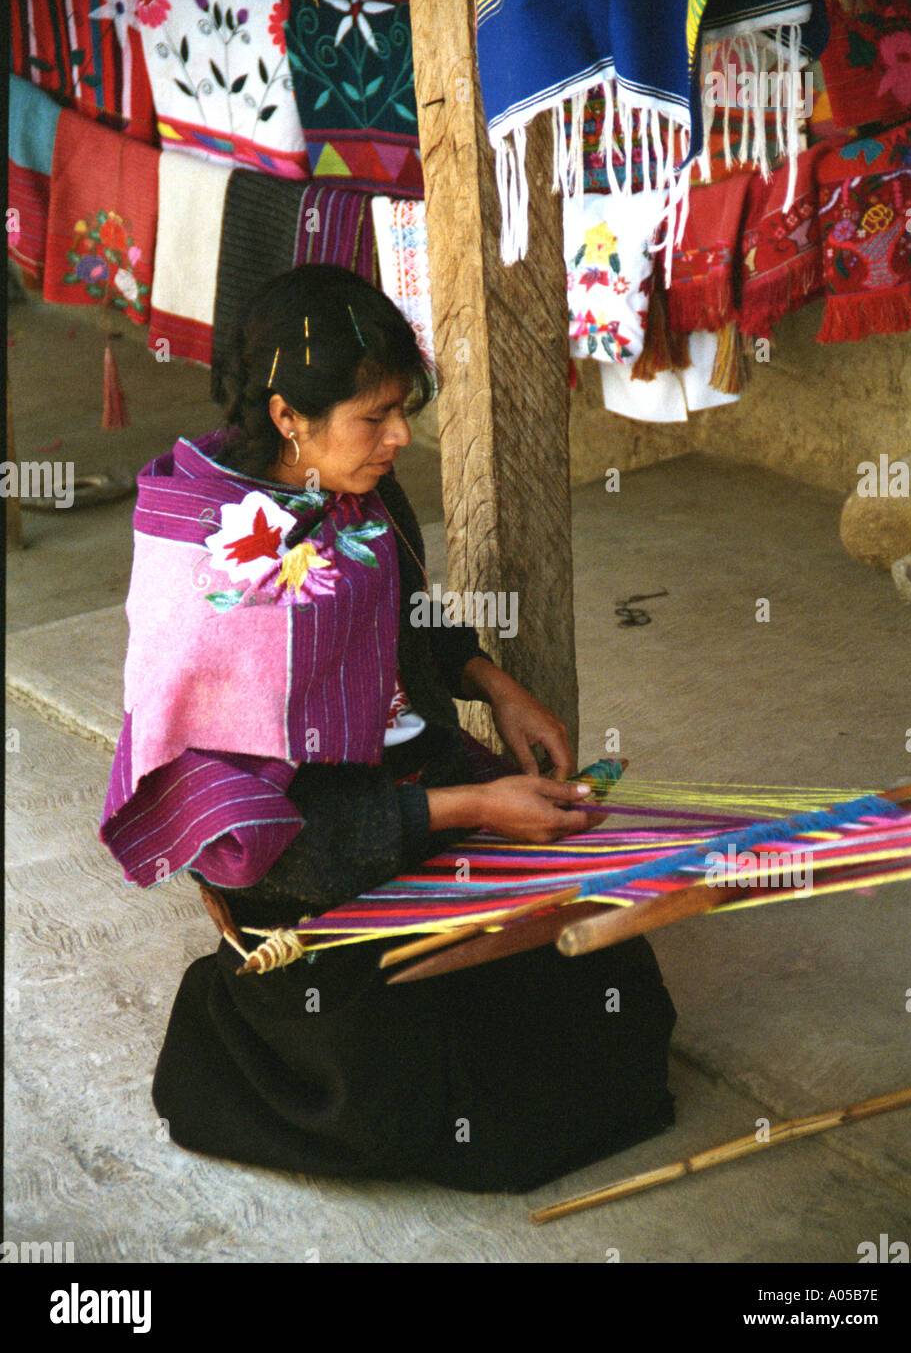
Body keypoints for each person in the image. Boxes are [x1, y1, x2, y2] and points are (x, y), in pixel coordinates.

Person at [100, 264, 676, 1193]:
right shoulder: (215, 573)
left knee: (612, 988)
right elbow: (270, 845)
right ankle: (236, 1011)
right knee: (417, 1094)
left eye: (403, 409)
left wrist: (498, 687)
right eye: (376, 417)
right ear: (289, 416)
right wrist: (475, 805)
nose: (402, 436)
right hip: (309, 862)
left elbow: (406, 609)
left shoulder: (357, 487)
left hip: (407, 791)